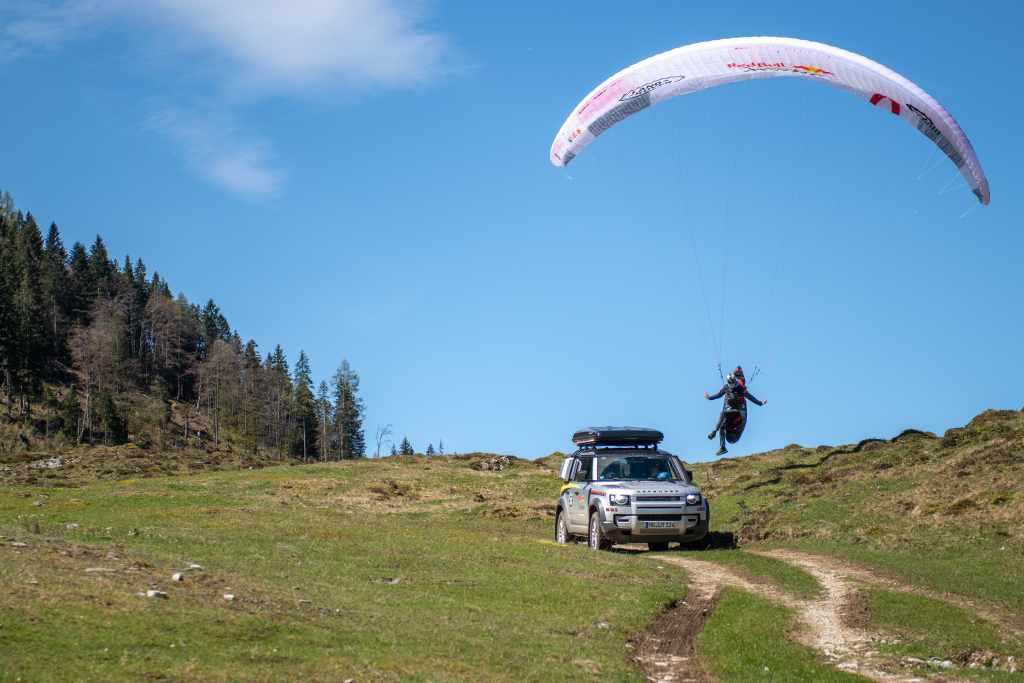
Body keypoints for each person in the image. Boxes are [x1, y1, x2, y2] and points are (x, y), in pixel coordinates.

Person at [704, 366, 766, 456]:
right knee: (722, 426)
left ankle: (714, 432)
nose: (733, 385)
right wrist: (709, 397)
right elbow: (718, 395)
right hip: (730, 413)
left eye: (734, 383)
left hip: (740, 412)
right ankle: (722, 447)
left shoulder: (740, 388)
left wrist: (760, 403)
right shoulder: (726, 387)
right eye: (731, 383)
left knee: (723, 413)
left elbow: (750, 397)